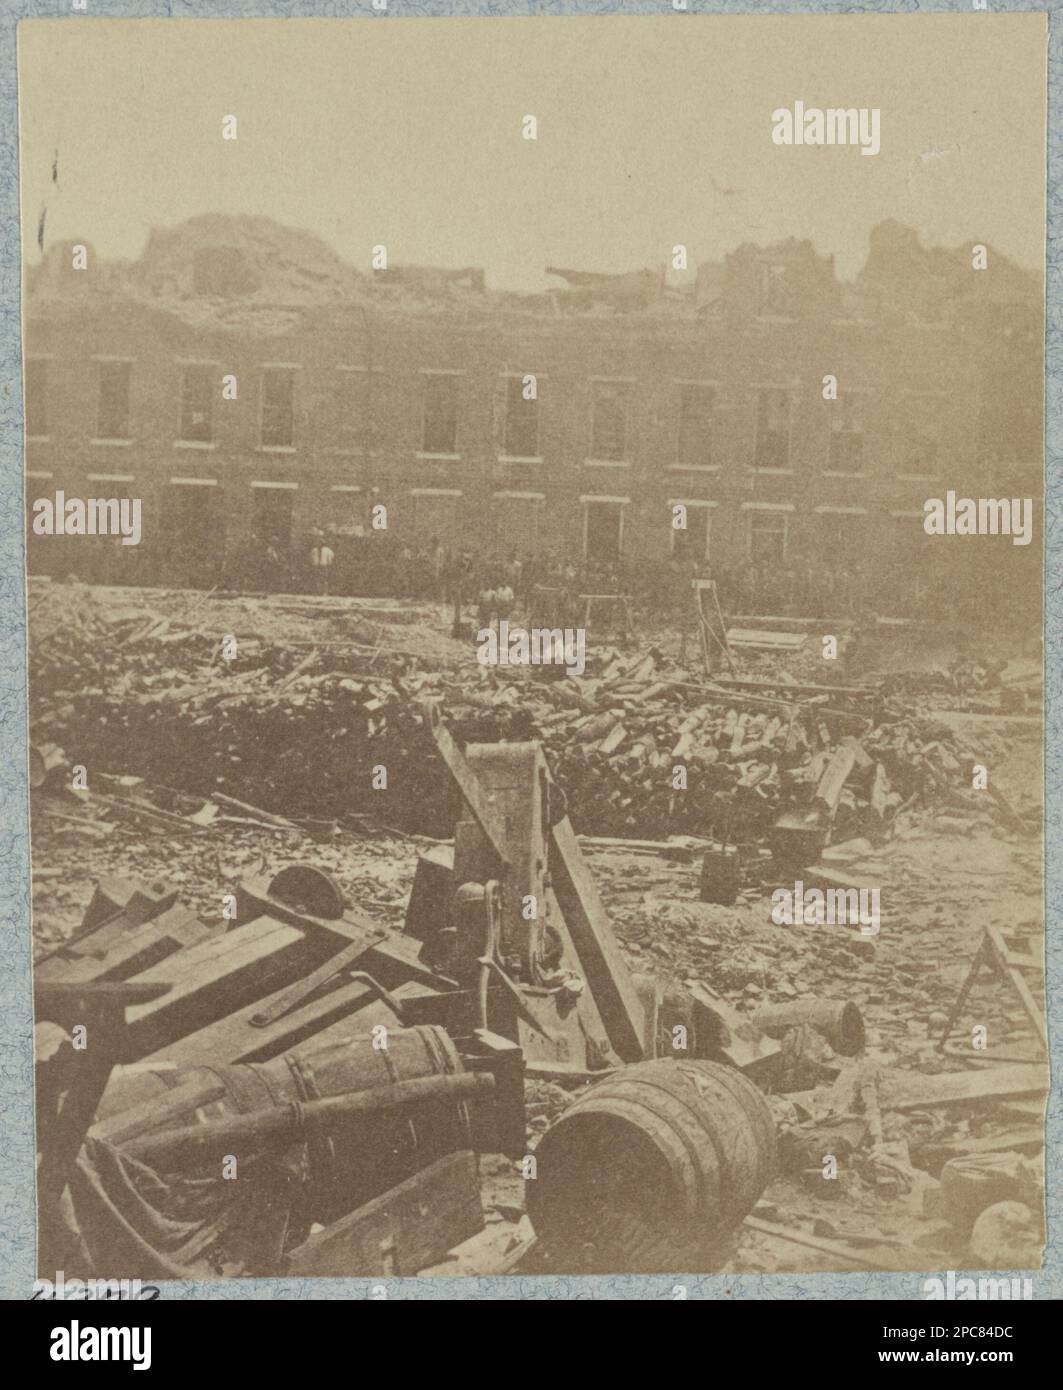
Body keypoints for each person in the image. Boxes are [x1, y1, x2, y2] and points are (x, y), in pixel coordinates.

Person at [309, 528, 335, 595]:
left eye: (321, 542)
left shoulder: (327, 550)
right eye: (318, 542)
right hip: (316, 566)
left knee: (324, 580)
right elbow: (311, 557)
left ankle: (325, 592)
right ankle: (316, 592)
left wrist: (328, 563)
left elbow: (331, 557)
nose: (320, 543)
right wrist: (313, 563)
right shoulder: (314, 550)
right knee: (316, 579)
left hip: (324, 566)